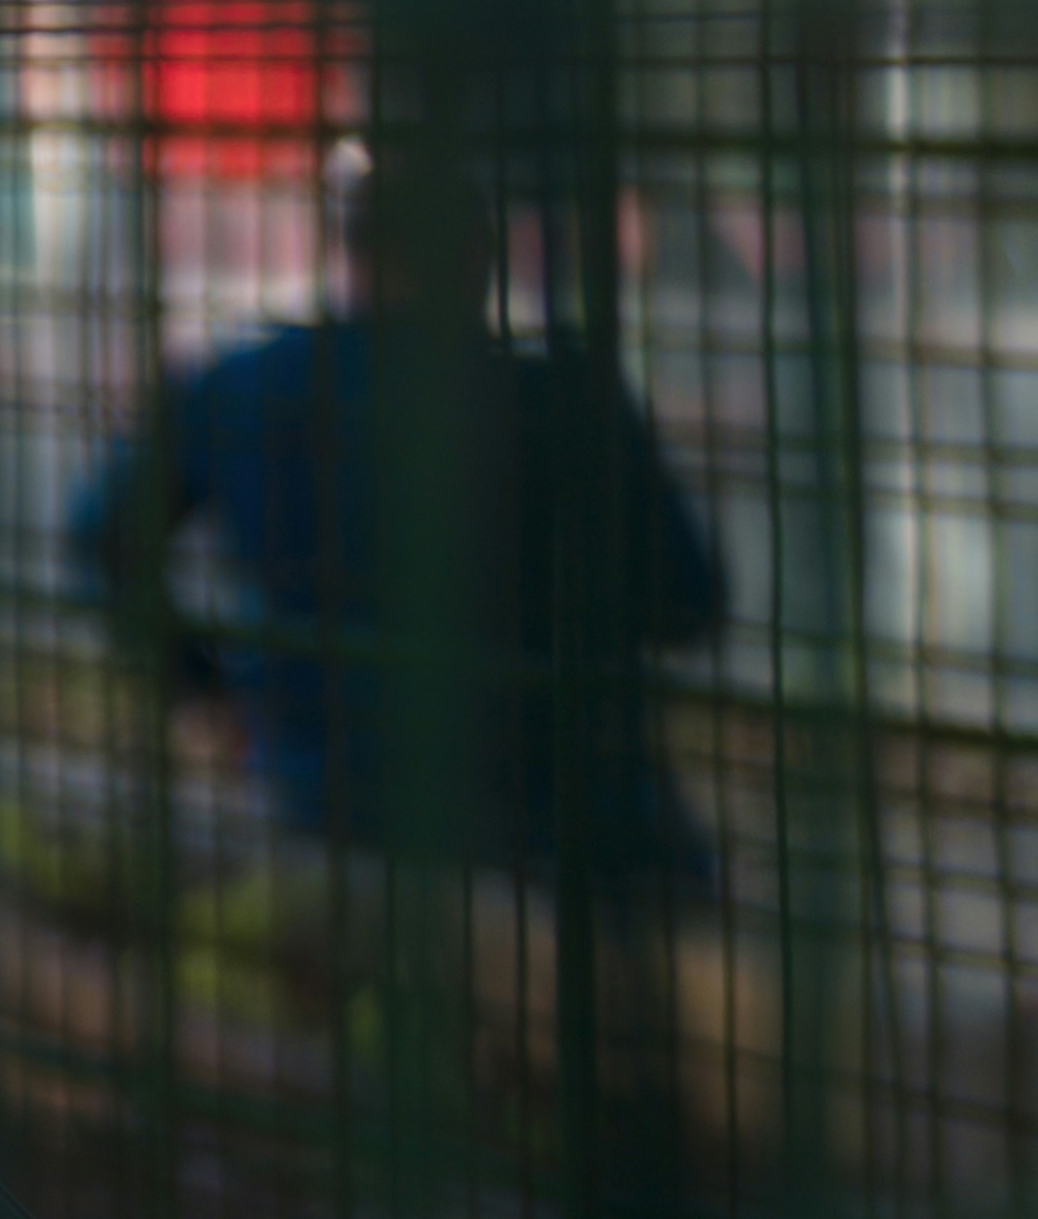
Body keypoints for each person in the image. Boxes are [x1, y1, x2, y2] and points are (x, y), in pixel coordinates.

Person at [70, 152, 729, 889]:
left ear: (348, 252)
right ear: (479, 262)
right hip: (566, 823)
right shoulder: (570, 403)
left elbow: (101, 538)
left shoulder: (240, 388)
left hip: (330, 799)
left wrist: (210, 689)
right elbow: (691, 606)